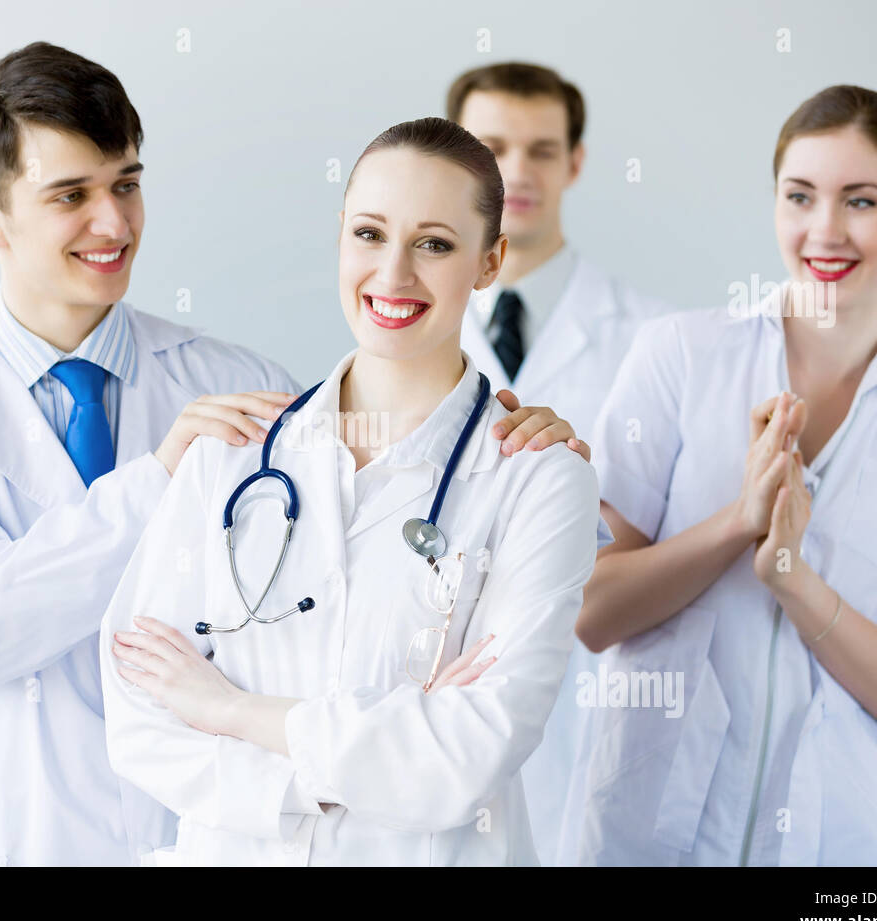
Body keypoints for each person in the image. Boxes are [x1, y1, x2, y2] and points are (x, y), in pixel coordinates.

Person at [0, 44, 577, 866]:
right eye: (70, 196)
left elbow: (377, 504)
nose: (115, 224)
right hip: (6, 836)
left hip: (213, 839)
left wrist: (506, 429)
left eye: (127, 183)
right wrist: (157, 481)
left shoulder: (240, 387)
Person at [98, 117, 602, 866]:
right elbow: (140, 722)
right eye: (370, 234)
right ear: (340, 235)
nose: (393, 276)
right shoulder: (230, 459)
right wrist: (341, 773)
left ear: (490, 260)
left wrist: (225, 709)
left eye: (434, 244)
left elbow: (466, 756)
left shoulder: (537, 478)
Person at [561, 85, 877, 866]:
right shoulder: (679, 356)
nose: (825, 230)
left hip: (838, 852)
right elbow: (591, 612)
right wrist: (737, 523)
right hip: (649, 832)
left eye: (861, 200)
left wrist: (793, 578)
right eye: (800, 197)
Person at [447, 61, 674, 863]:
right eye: (493, 146)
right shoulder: (403, 337)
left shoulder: (654, 341)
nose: (516, 171)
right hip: (438, 721)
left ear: (576, 162)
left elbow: (653, 555)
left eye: (543, 149)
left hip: (593, 710)